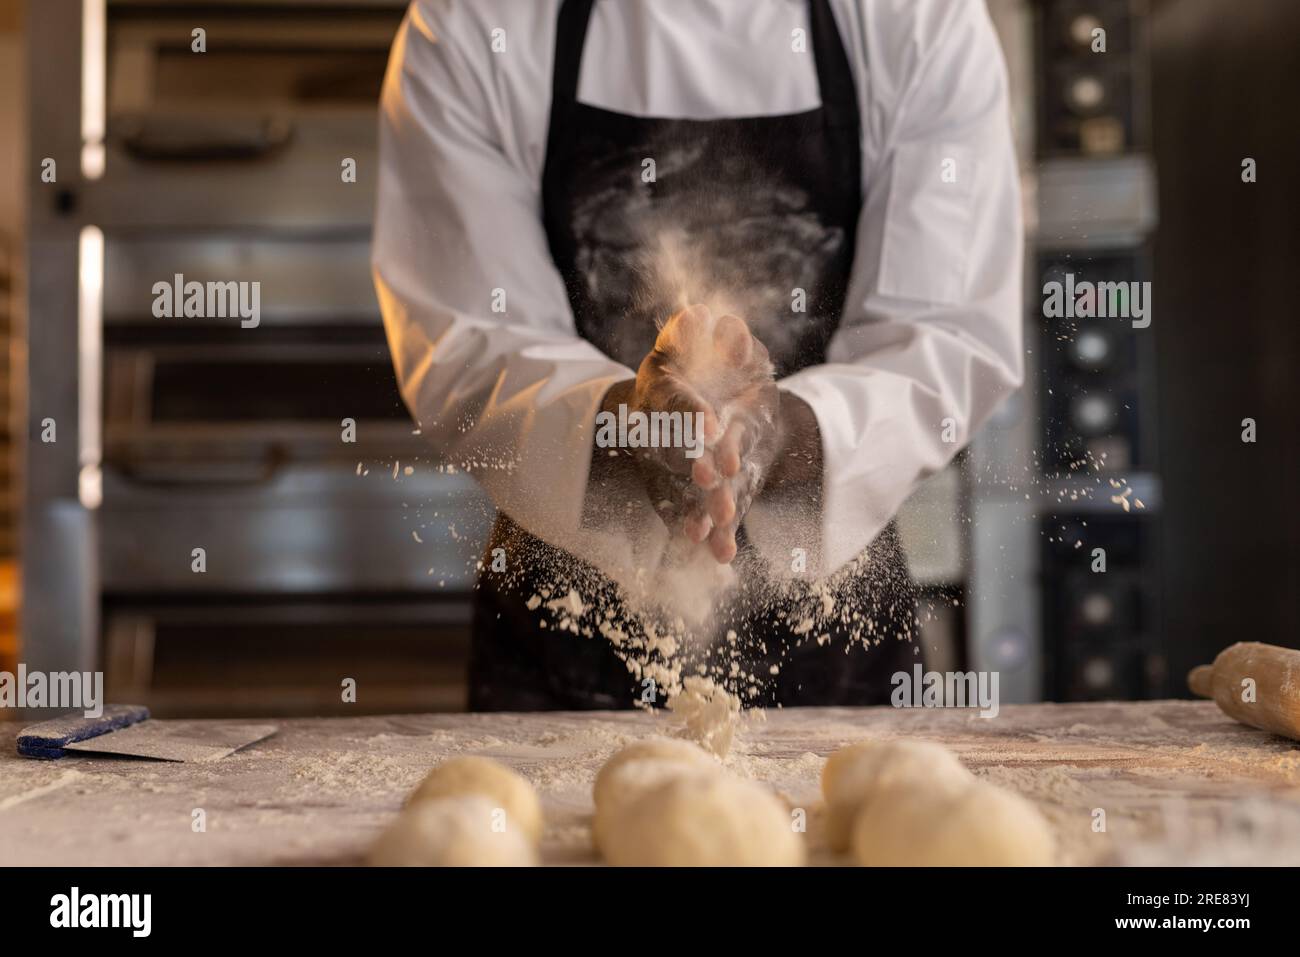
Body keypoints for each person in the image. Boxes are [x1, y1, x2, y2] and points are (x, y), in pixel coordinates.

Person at [374, 0, 1023, 710]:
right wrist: (632, 425)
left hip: (838, 635)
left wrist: (774, 438)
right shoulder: (473, 20)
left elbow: (942, 333)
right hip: (560, 631)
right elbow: (469, 338)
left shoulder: (919, 19)